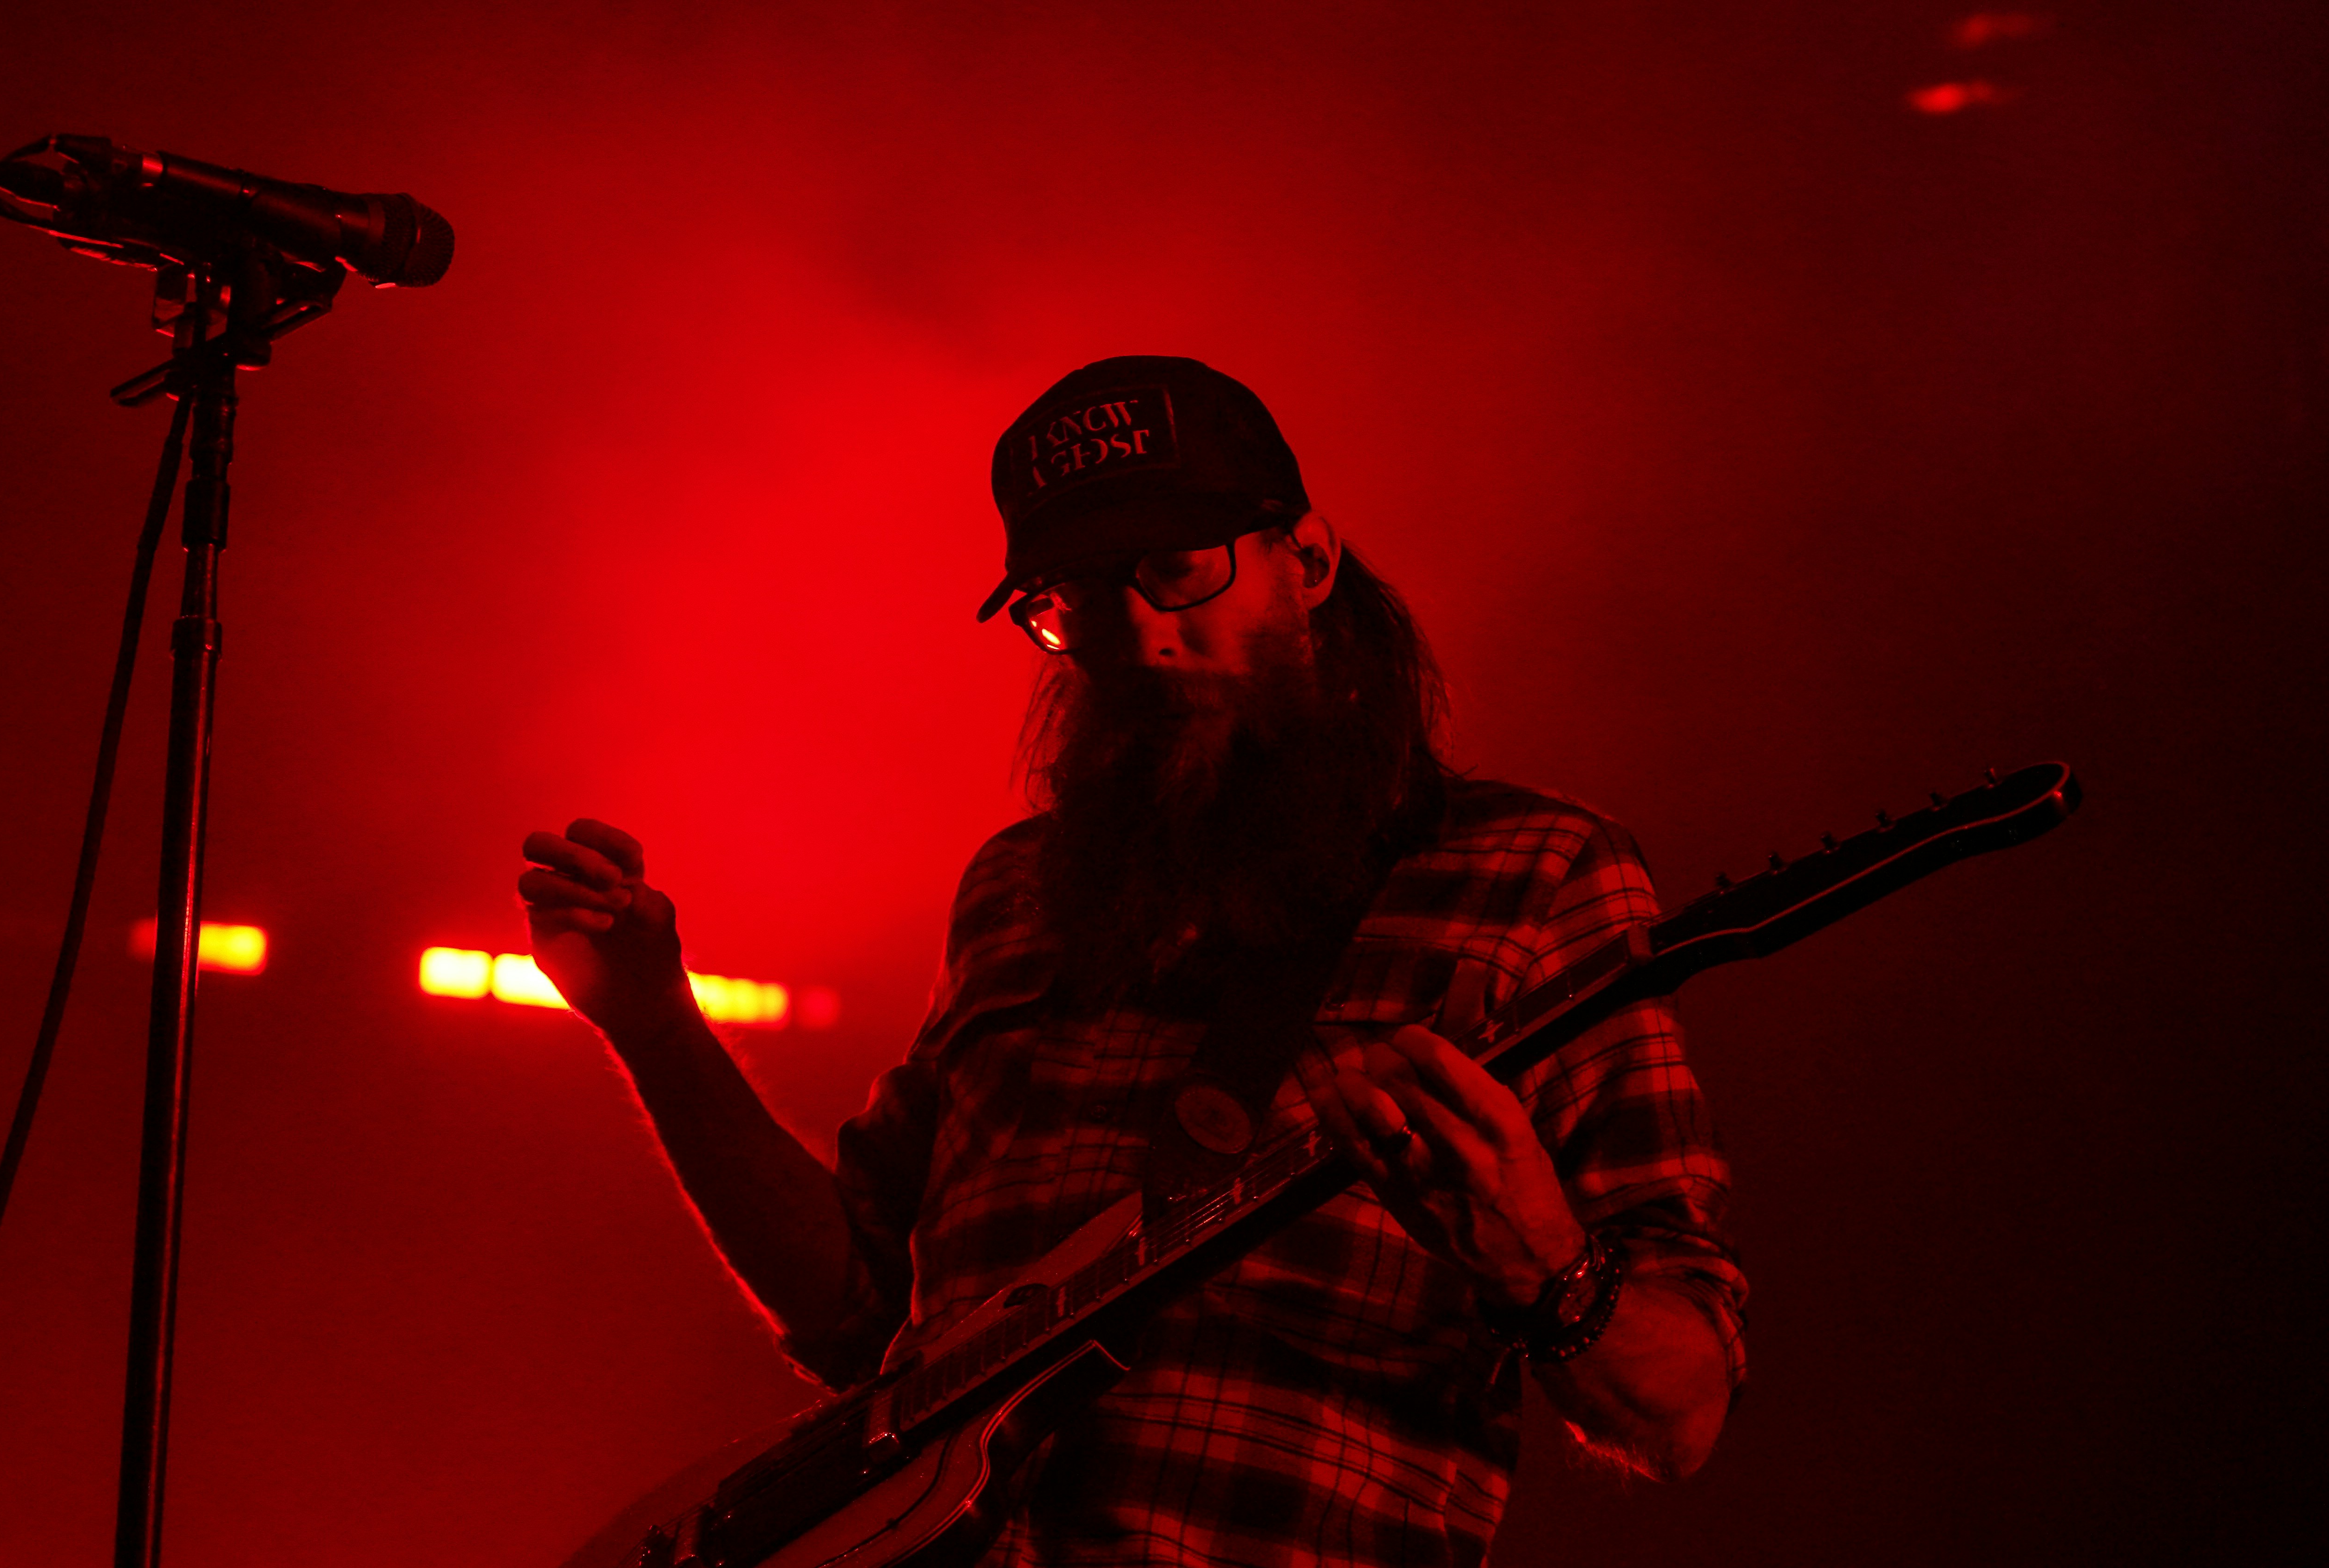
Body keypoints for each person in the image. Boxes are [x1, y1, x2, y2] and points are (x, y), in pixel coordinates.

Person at [521, 356, 1746, 1566]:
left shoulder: (1533, 874)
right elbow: (857, 1313)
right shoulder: (1018, 891)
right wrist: (654, 1024)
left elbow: (1682, 1408)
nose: (1137, 635)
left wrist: (1550, 1266)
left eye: (1178, 571)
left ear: (1307, 562)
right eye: (1077, 597)